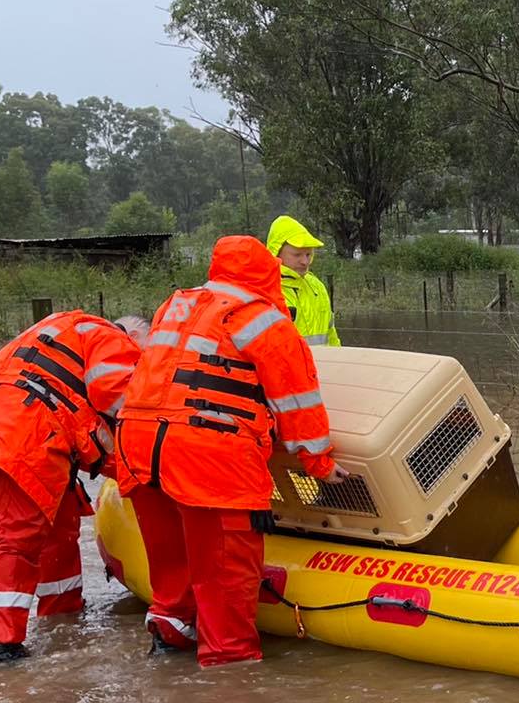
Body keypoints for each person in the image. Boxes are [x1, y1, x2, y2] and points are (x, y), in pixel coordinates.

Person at [114, 235, 348, 666]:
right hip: (207, 453)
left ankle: (170, 637)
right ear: (268, 273)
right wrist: (320, 464)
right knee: (226, 572)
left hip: (138, 446)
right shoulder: (262, 320)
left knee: (172, 563)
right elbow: (298, 401)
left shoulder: (178, 304)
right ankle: (230, 677)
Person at [0, 311, 150, 664]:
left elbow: (87, 417)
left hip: (16, 416)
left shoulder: (73, 331)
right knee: (16, 533)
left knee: (60, 525)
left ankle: (62, 614)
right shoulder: (108, 337)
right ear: (136, 335)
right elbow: (123, 403)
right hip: (26, 422)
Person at [267, 214, 341, 346]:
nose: (305, 261)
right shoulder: (265, 290)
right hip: (286, 367)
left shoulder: (316, 286)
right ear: (276, 252)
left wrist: (340, 363)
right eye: (297, 255)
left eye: (308, 254)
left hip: (323, 365)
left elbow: (331, 335)